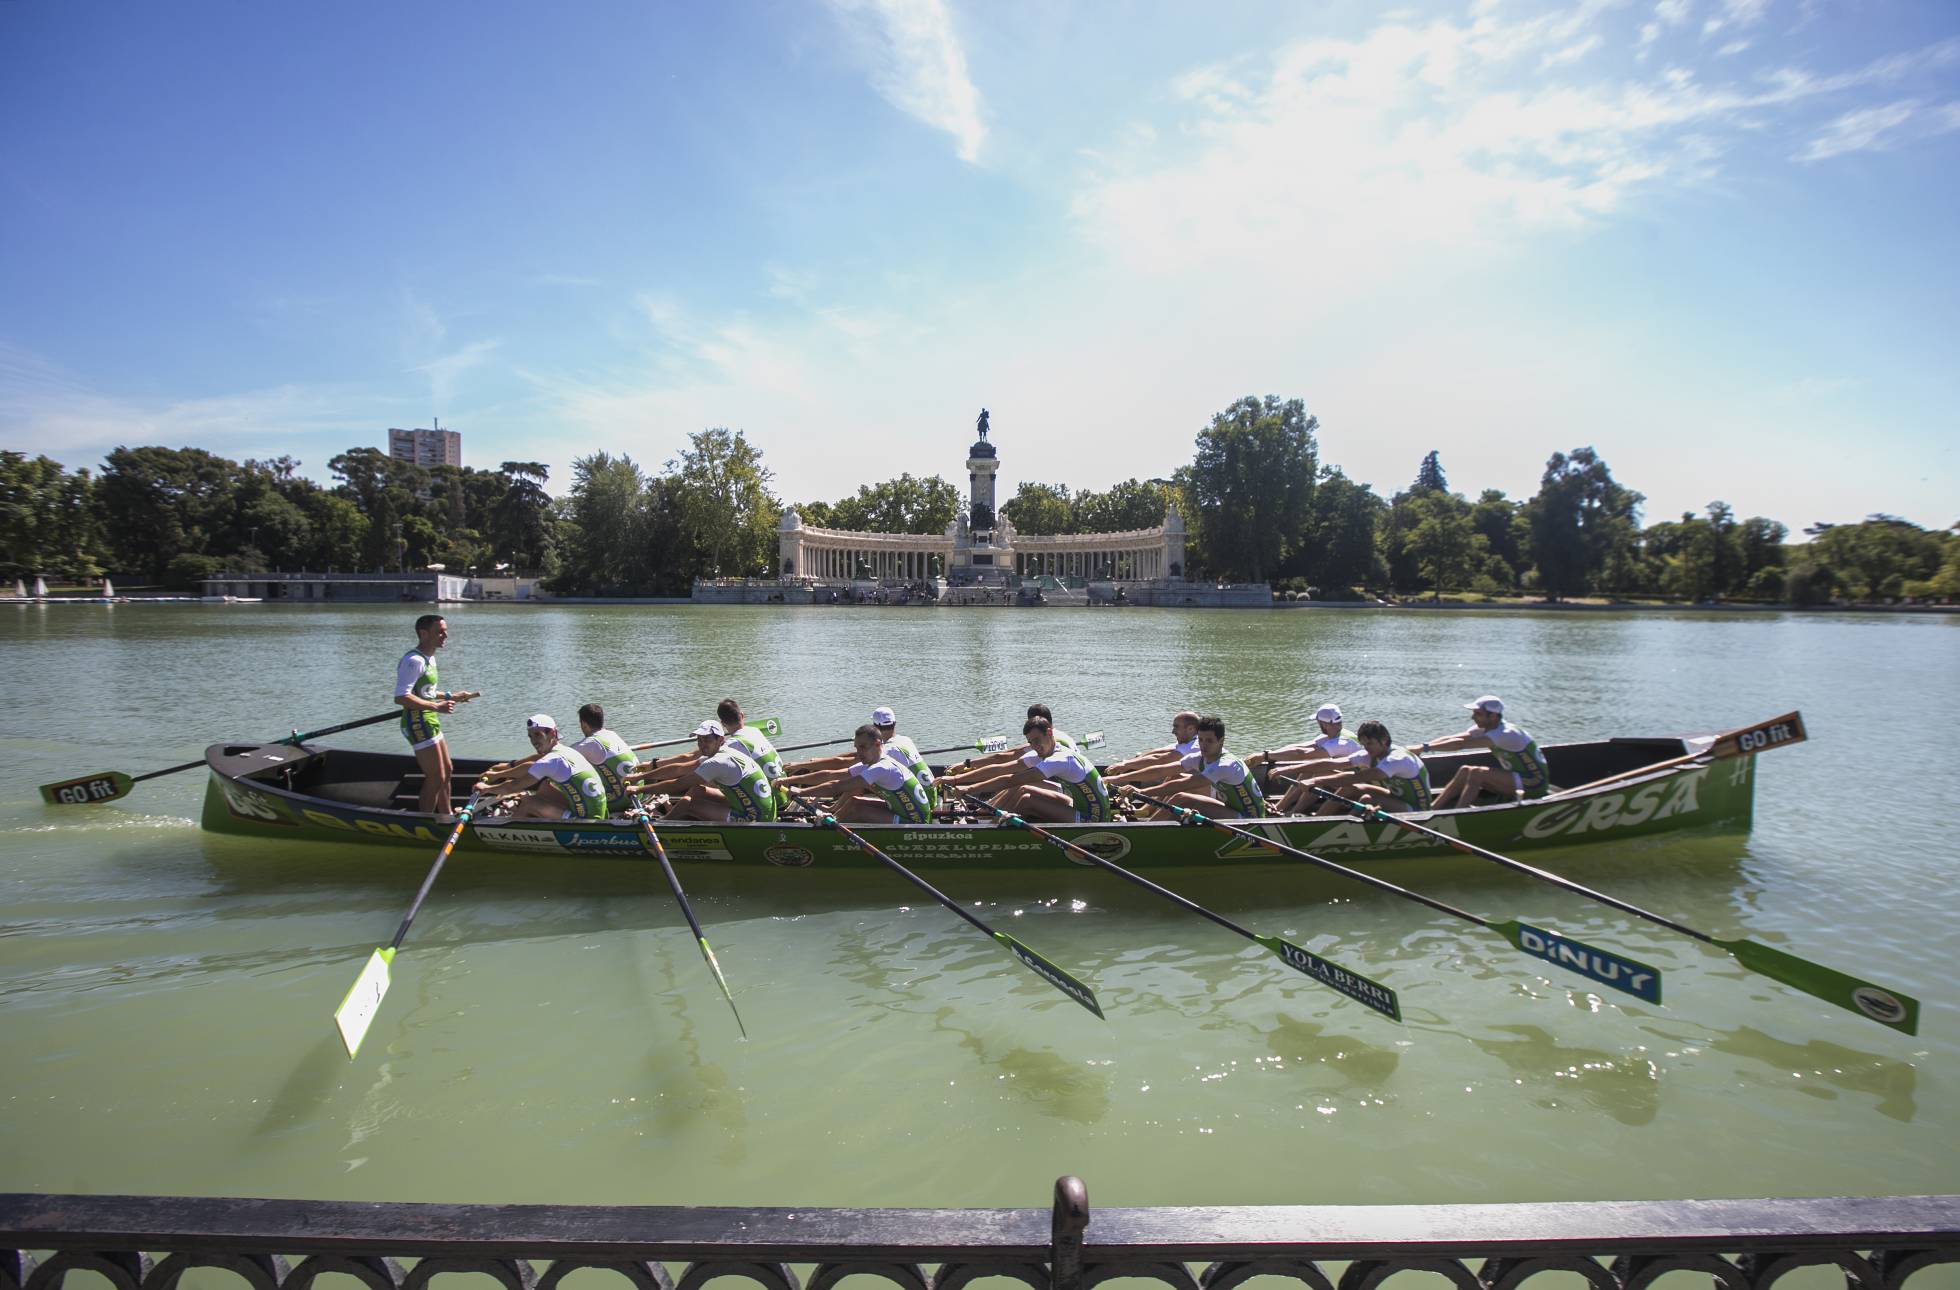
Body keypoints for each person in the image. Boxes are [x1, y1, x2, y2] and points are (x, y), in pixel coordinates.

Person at [393, 613, 478, 816]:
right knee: (436, 778)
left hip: (429, 720)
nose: (445, 635)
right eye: (440, 632)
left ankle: (446, 815)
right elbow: (401, 697)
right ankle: (426, 821)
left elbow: (426, 692)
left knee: (447, 771)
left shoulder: (429, 657)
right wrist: (436, 707)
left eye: (445, 631)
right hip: (417, 723)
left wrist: (452, 696)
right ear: (423, 634)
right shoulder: (414, 661)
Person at [959, 717, 1112, 824]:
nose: (1034, 746)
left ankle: (990, 830)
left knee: (1026, 800)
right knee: (1022, 788)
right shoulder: (1047, 751)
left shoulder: (1059, 759)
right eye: (1031, 742)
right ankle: (983, 815)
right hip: (1076, 803)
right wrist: (956, 780)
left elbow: (1009, 779)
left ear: (1050, 733)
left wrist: (969, 788)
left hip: (1093, 818)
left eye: (1037, 740)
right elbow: (1001, 769)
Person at [637, 720, 778, 823]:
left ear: (720, 740)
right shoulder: (726, 751)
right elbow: (679, 768)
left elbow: (677, 784)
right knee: (697, 791)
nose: (702, 744)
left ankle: (662, 826)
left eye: (707, 739)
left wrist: (638, 790)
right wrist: (640, 777)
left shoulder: (717, 762)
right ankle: (676, 819)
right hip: (756, 806)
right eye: (699, 739)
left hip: (756, 818)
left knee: (690, 805)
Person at [1425, 695, 1553, 809]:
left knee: (1477, 773)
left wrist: (1425, 749)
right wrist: (1423, 746)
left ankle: (1458, 812)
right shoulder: (1487, 728)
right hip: (1516, 778)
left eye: (1478, 714)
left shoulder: (1506, 734)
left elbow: (1459, 744)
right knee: (1465, 770)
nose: (1472, 717)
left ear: (1492, 716)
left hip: (1534, 783)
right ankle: (1432, 809)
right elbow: (1453, 738)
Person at [474, 715, 609, 820]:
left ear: (552, 733)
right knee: (545, 787)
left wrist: (487, 789)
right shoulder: (565, 751)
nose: (533, 741)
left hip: (586, 821)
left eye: (538, 735)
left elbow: (514, 786)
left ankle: (509, 833)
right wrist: (498, 775)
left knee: (528, 802)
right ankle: (529, 817)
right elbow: (531, 766)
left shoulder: (551, 761)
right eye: (530, 736)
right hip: (598, 813)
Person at [1133, 714, 1265, 820]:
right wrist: (1119, 778)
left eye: (1209, 741)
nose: (1203, 745)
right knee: (1175, 783)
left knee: (1181, 798)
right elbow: (1162, 770)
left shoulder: (1225, 764)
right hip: (1230, 807)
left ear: (1221, 741)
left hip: (1250, 819)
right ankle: (1151, 817)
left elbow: (1184, 785)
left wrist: (1142, 792)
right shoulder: (1200, 757)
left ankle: (1149, 829)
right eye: (1200, 740)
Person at [798, 724, 934, 824]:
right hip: (902, 810)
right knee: (853, 802)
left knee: (858, 810)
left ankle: (826, 828)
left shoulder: (882, 767)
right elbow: (830, 775)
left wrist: (799, 792)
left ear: (876, 744)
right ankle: (831, 822)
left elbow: (834, 787)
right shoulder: (875, 762)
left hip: (915, 822)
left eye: (862, 748)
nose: (858, 753)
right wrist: (788, 781)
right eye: (857, 748)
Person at [1307, 720, 1431, 815]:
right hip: (1396, 797)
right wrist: (1289, 770)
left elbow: (1356, 777)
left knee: (1366, 799)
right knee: (1348, 789)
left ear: (1384, 740)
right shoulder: (1373, 754)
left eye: (1370, 743)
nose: (1367, 748)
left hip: (1417, 809)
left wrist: (1316, 781)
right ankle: (1318, 818)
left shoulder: (1397, 759)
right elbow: (1333, 764)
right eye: (1364, 744)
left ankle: (1342, 827)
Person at [1265, 704, 1366, 813]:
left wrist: (1275, 762)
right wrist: (1270, 754)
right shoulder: (1332, 735)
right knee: (1309, 770)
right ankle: (1279, 807)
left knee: (1318, 774)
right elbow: (1298, 747)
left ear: (1323, 724)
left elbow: (1303, 754)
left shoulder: (1341, 743)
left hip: (1359, 785)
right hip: (1348, 778)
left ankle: (1293, 813)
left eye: (1318, 723)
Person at [570, 703, 642, 814]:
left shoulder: (591, 743)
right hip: (639, 793)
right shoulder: (612, 734)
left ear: (583, 724)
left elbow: (561, 755)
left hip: (622, 800)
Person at [718, 698, 787, 809]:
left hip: (773, 801)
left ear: (722, 723)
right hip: (786, 792)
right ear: (742, 715)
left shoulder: (732, 744)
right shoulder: (754, 730)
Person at [1102, 711, 1201, 785]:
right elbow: (1158, 752)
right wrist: (1129, 763)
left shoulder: (1196, 745)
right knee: (1137, 761)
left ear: (1190, 729)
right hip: (1175, 780)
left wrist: (1125, 765)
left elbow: (1161, 760)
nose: (1173, 731)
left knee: (1135, 771)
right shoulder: (1186, 742)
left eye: (1176, 727)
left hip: (1195, 787)